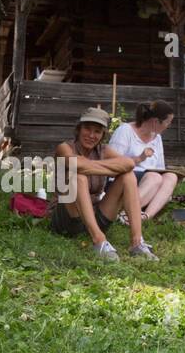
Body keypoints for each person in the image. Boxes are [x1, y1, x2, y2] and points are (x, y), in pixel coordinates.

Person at [50, 107, 160, 261]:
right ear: (78, 129)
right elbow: (77, 166)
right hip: (68, 219)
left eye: (97, 131)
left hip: (96, 214)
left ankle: (137, 242)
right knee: (79, 177)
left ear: (102, 135)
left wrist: (88, 165)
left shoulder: (104, 151)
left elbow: (128, 164)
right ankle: (99, 241)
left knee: (128, 176)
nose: (91, 135)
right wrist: (109, 168)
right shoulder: (65, 148)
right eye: (87, 129)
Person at [107, 100, 180, 221]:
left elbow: (160, 167)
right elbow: (112, 163)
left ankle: (145, 216)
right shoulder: (125, 131)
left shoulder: (157, 138)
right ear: (156, 121)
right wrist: (140, 158)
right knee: (154, 177)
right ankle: (125, 212)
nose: (168, 126)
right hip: (122, 180)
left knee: (171, 176)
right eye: (168, 122)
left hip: (147, 184)